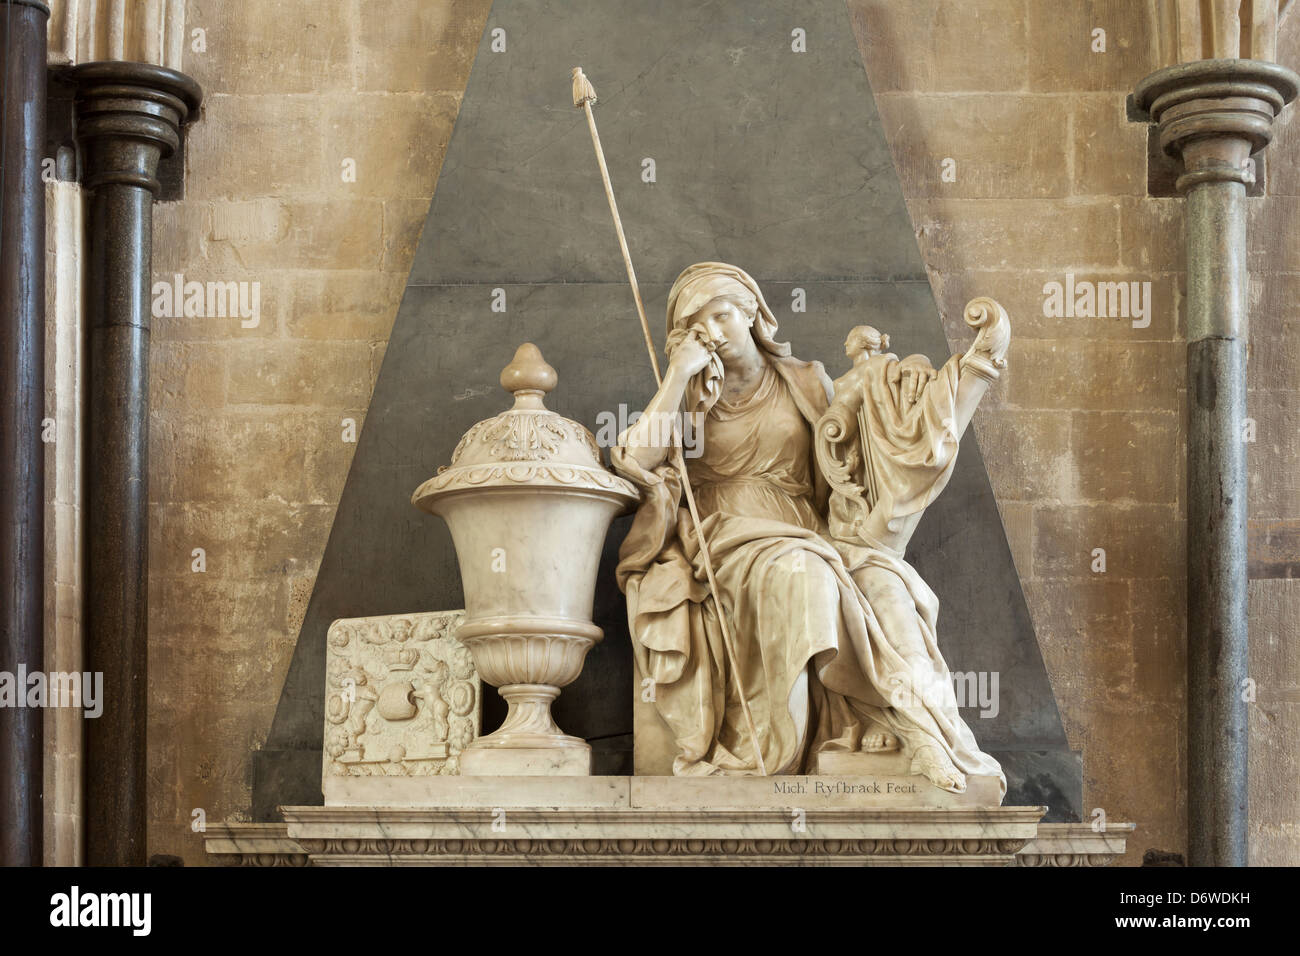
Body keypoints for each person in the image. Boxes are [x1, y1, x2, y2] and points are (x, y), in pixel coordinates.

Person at [611, 261, 1004, 795]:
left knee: (890, 588)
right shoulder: (689, 397)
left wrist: (907, 381)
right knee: (807, 575)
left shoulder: (805, 380)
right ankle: (834, 743)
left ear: (751, 313)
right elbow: (636, 458)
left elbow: (863, 443)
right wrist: (679, 373)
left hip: (815, 533)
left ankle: (928, 729)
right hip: (727, 538)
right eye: (699, 326)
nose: (715, 332)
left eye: (723, 315)